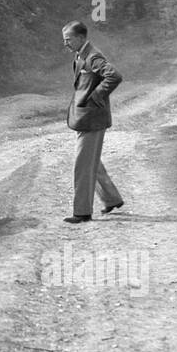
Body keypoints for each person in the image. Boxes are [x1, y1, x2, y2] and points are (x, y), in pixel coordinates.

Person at [61, 21, 125, 223]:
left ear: (80, 38)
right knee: (92, 162)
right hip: (87, 118)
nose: (66, 44)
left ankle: (82, 212)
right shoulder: (81, 54)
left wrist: (98, 94)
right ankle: (111, 198)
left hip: (92, 119)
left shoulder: (93, 56)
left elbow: (114, 75)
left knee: (82, 165)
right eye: (65, 40)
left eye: (68, 39)